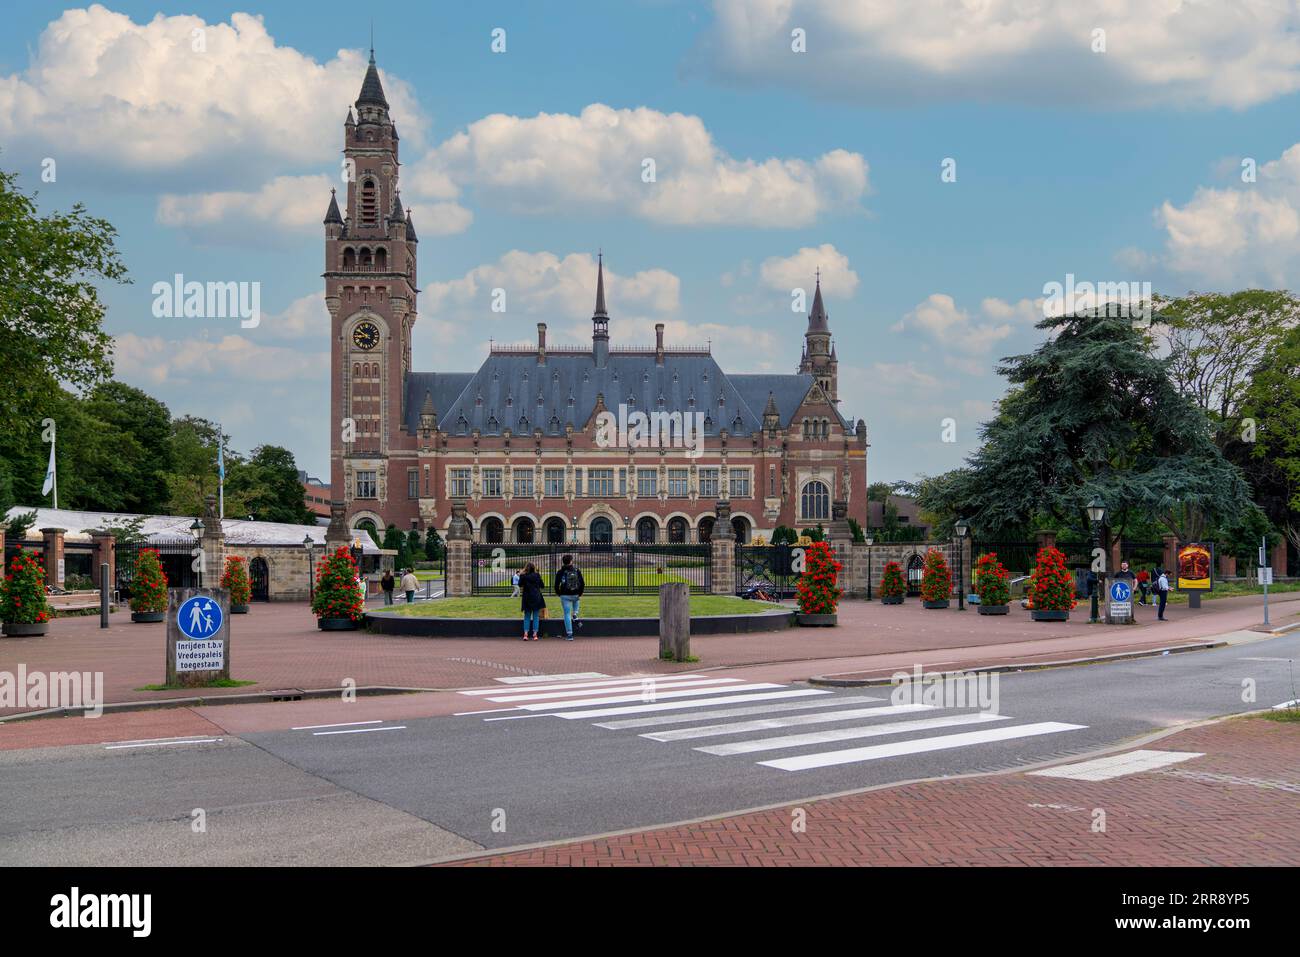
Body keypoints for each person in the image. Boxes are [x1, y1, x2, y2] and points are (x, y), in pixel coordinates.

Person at [553, 553, 586, 641]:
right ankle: (575, 613)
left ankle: (570, 635)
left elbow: (556, 585)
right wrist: (580, 593)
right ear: (571, 561)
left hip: (565, 595)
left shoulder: (560, 572)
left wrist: (559, 593)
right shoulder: (576, 570)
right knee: (576, 601)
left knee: (567, 614)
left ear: (563, 562)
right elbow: (582, 583)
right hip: (575, 594)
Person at [518, 562, 546, 640]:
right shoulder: (537, 575)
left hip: (527, 597)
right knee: (536, 616)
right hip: (536, 597)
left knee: (527, 616)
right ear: (534, 568)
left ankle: (526, 634)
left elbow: (519, 584)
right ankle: (535, 634)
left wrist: (521, 575)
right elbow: (542, 585)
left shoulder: (523, 576)